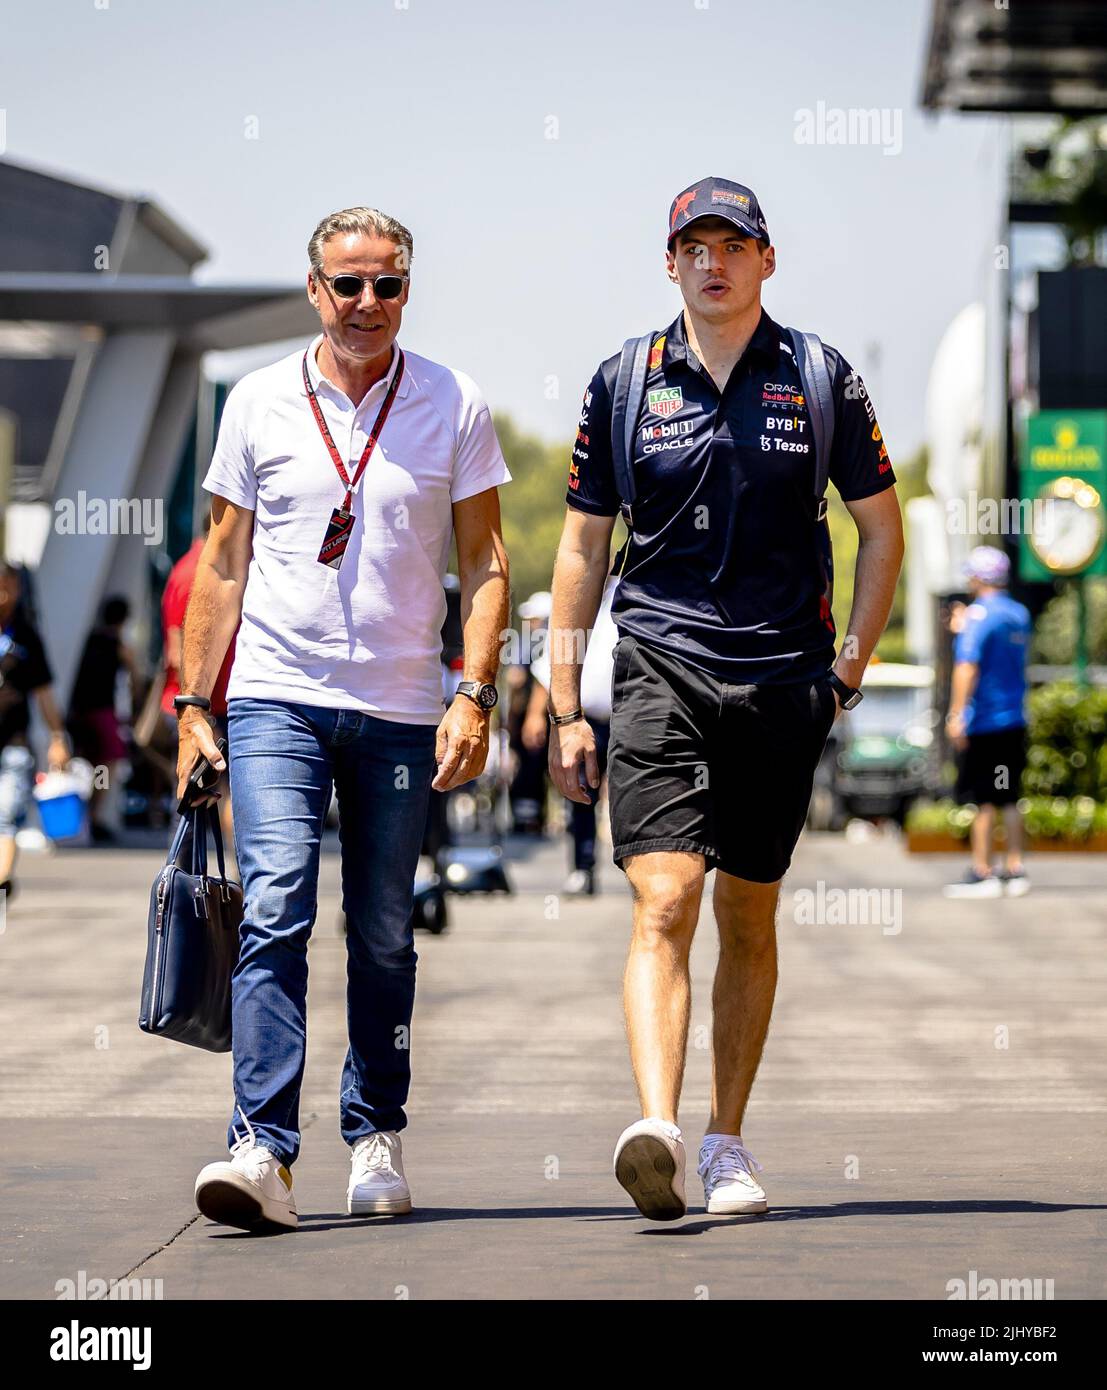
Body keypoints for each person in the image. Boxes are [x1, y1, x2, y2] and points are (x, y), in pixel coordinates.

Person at [547, 178, 903, 1220]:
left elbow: (881, 528)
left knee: (747, 908)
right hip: (656, 663)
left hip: (784, 677)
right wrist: (565, 696)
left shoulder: (821, 376)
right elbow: (580, 546)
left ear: (766, 258)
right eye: (693, 246)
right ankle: (655, 1127)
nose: (714, 262)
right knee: (665, 897)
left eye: (733, 244)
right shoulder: (624, 381)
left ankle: (726, 1140)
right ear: (669, 263)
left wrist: (849, 666)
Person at [179, 206, 511, 1232]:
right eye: (348, 284)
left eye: (389, 285)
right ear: (316, 290)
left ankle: (375, 1134)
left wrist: (475, 689)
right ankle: (263, 1151)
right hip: (276, 697)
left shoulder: (453, 402)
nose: (368, 304)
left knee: (381, 928)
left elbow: (487, 565)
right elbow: (222, 562)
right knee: (278, 902)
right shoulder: (259, 401)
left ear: (408, 289)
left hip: (405, 710)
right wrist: (196, 705)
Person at [943, 547, 1032, 898]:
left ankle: (983, 870)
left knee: (983, 798)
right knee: (1009, 794)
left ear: (978, 577)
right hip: (1014, 718)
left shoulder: (978, 616)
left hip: (985, 721)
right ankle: (1015, 867)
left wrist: (956, 714)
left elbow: (968, 665)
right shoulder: (1018, 614)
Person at [529, 574, 619, 895]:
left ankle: (644, 870)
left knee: (633, 799)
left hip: (629, 717)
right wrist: (536, 716)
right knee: (582, 795)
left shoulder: (632, 590)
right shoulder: (577, 594)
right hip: (584, 721)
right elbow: (550, 662)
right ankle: (583, 868)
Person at [160, 518, 237, 847]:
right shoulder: (198, 572)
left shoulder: (189, 567)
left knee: (202, 800)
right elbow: (178, 651)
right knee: (214, 798)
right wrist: (197, 714)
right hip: (203, 707)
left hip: (208, 704)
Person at [0, 564, 70, 897]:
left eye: (9, 587)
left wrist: (57, 737)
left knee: (7, 812)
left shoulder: (26, 635)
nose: (4, 596)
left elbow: (43, 693)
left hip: (14, 740)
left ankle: (1, 881)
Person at [67, 595, 138, 842]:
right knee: (106, 764)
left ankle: (86, 813)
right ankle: (93, 815)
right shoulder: (117, 644)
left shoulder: (89, 639)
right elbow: (134, 676)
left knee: (90, 762)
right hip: (104, 713)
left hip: (81, 711)